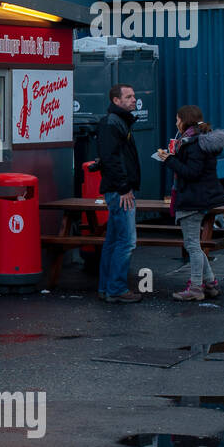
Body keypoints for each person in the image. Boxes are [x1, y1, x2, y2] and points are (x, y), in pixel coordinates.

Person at [158, 106, 224, 301]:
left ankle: (196, 287)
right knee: (194, 245)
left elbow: (191, 173)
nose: (175, 123)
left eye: (177, 119)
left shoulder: (193, 144)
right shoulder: (200, 141)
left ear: (185, 121)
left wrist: (169, 160)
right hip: (203, 197)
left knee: (192, 246)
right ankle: (210, 283)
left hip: (192, 199)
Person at [96, 84, 143, 303]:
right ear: (116, 100)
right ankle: (116, 289)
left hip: (117, 189)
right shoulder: (112, 123)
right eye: (128, 96)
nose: (134, 99)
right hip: (120, 191)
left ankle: (107, 287)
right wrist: (124, 188)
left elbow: (111, 157)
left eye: (133, 96)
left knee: (114, 241)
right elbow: (112, 158)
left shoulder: (117, 122)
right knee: (126, 241)